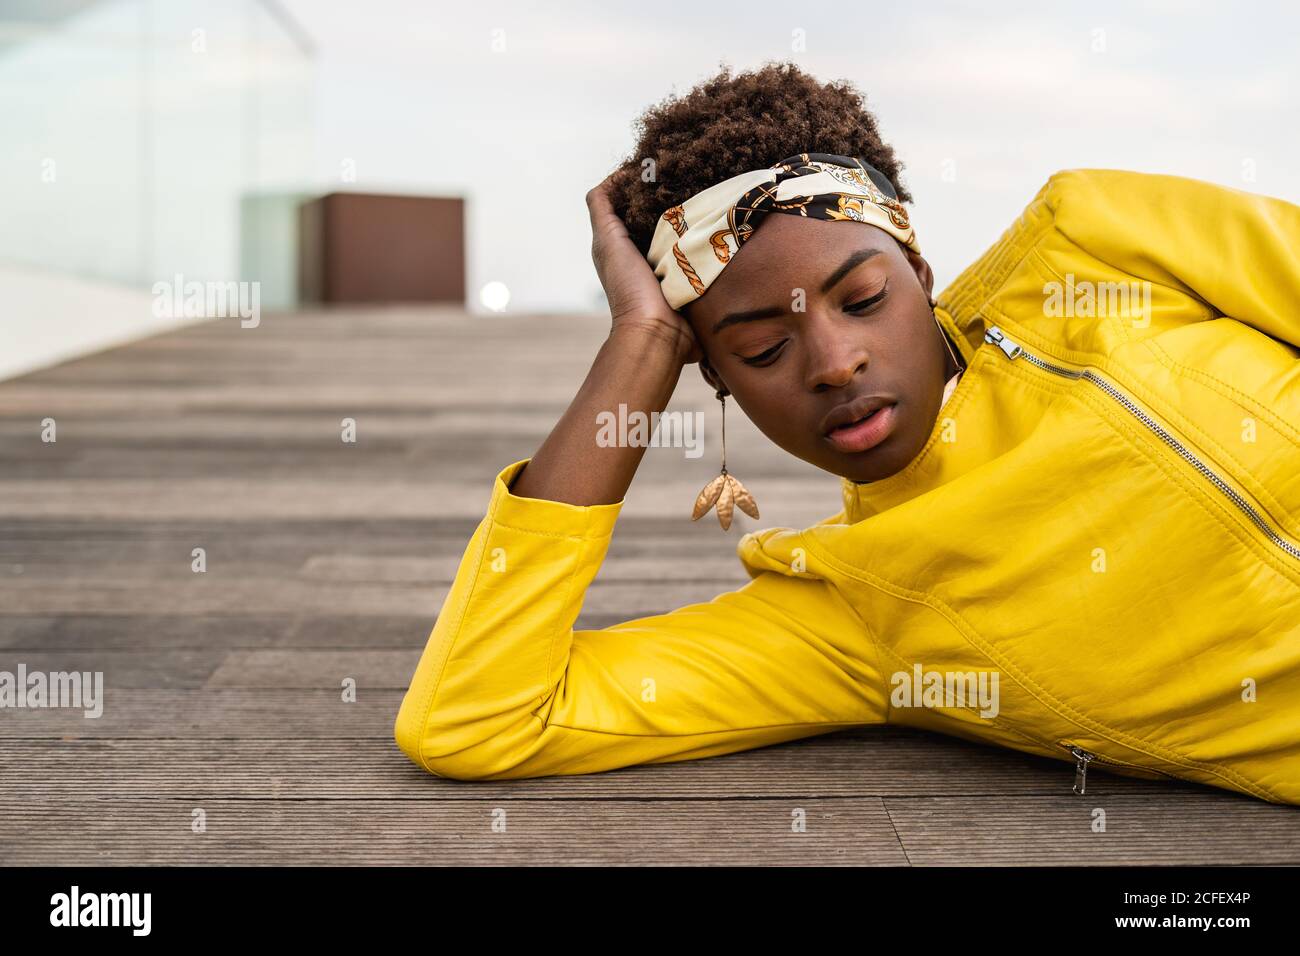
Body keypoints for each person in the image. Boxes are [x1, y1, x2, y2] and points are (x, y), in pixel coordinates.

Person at [394, 62, 1300, 804]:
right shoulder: (853, 616)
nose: (832, 362)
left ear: (918, 266)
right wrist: (639, 348)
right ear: (711, 377)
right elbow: (481, 716)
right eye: (759, 349)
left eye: (863, 299)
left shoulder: (1093, 245)